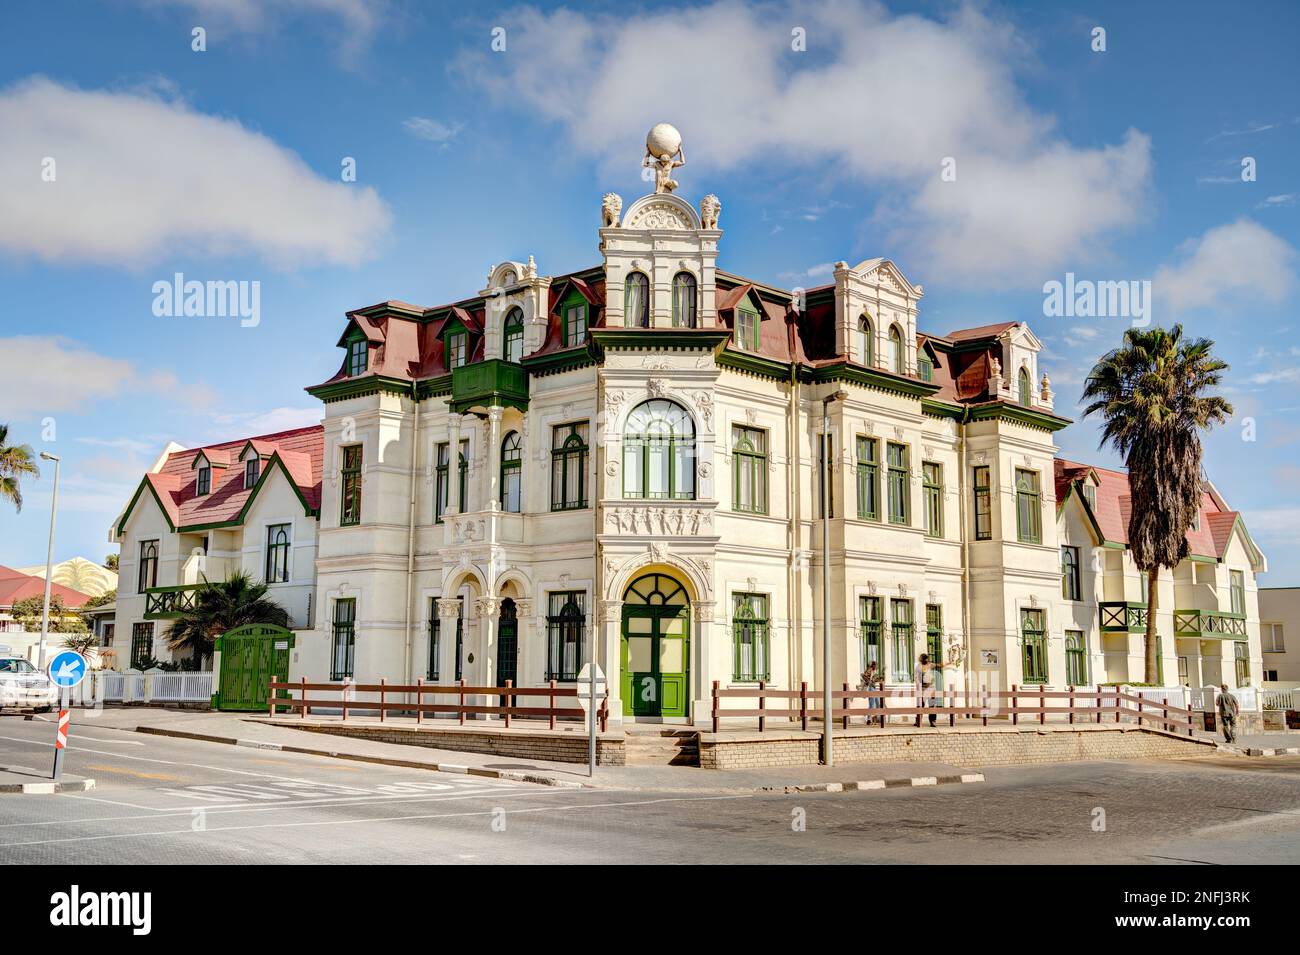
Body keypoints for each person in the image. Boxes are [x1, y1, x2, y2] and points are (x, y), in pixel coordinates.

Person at [917, 653, 942, 727]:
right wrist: (920, 686)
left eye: (927, 659)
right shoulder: (919, 667)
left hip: (931, 687)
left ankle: (933, 721)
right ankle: (918, 719)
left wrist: (945, 664)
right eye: (925, 659)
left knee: (932, 704)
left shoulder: (930, 665)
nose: (926, 660)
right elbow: (916, 678)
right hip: (923, 688)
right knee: (921, 704)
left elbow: (938, 665)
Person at [859, 661, 884, 727]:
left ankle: (877, 718)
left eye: (876, 665)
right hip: (870, 688)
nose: (876, 666)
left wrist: (879, 679)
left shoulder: (875, 671)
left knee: (878, 703)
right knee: (871, 704)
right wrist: (868, 682)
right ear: (872, 665)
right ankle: (869, 719)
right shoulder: (869, 670)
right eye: (875, 665)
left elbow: (874, 680)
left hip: (874, 688)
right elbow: (863, 675)